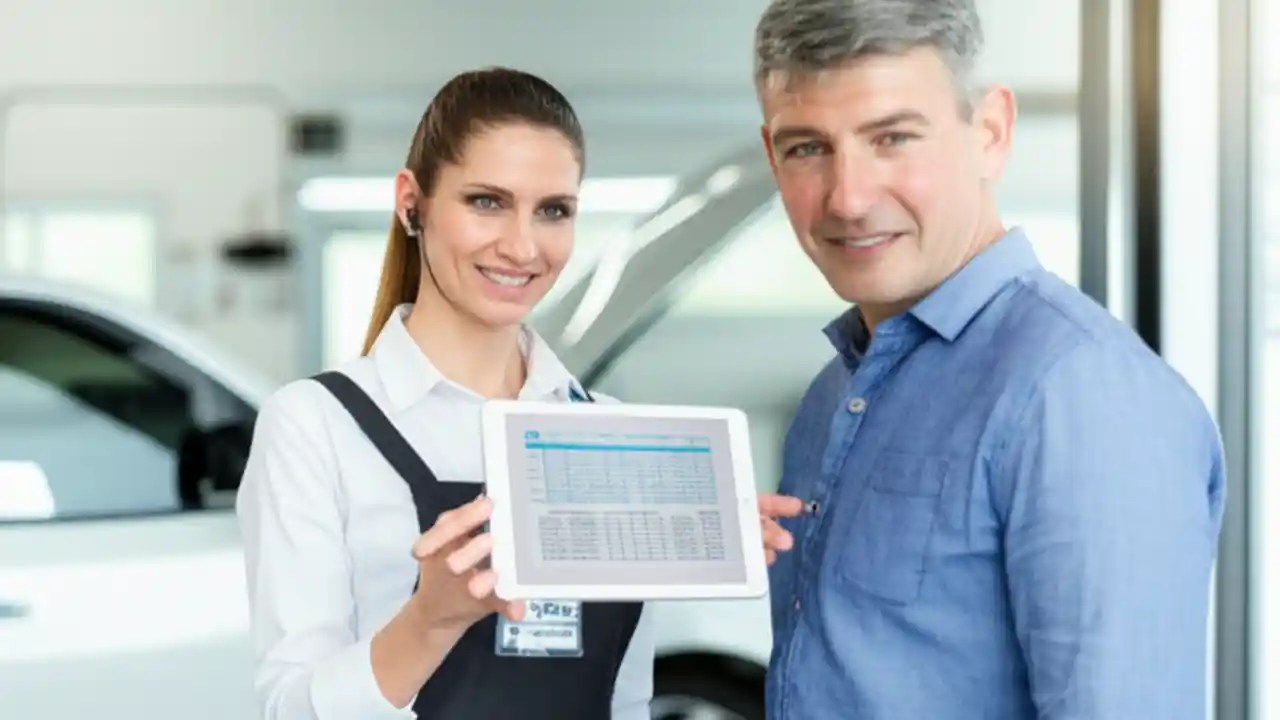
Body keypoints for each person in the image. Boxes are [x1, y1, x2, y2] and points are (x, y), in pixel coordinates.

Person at [751, 1, 1226, 718]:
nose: (847, 198)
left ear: (991, 133)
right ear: (771, 155)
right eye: (807, 148)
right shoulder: (831, 394)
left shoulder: (1080, 392)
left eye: (893, 138)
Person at [236, 67, 653, 720]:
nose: (522, 246)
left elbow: (625, 698)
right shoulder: (313, 427)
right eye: (487, 201)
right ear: (412, 203)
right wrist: (430, 619)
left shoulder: (611, 432)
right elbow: (292, 709)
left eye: (553, 211)